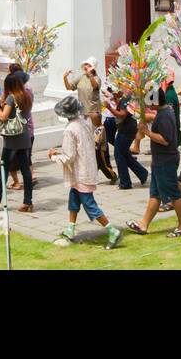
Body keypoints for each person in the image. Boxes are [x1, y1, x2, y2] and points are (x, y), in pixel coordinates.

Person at [49, 95, 121, 249]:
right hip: (87, 168)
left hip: (80, 173)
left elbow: (69, 156)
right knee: (73, 199)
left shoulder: (70, 130)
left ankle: (112, 230)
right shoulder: (83, 122)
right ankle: (70, 228)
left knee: (89, 205)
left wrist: (54, 156)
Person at [125, 88, 181, 238]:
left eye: (149, 102)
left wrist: (147, 132)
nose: (148, 105)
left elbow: (165, 140)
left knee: (174, 195)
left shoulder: (165, 116)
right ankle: (144, 225)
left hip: (166, 161)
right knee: (155, 194)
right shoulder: (162, 113)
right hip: (159, 160)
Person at [0, 71, 34, 212]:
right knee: (25, 170)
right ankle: (28, 201)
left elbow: (3, 117)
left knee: (4, 168)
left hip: (12, 139)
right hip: (24, 137)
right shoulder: (27, 96)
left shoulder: (11, 98)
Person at [64, 56, 117, 183]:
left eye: (88, 65)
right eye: (85, 65)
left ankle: (108, 171)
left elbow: (95, 87)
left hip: (94, 114)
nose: (86, 67)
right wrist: (64, 77)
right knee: (85, 144)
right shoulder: (81, 77)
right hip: (82, 114)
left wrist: (91, 75)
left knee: (98, 144)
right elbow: (69, 87)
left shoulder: (96, 78)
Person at [105, 87, 146, 189]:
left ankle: (125, 182)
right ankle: (142, 173)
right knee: (125, 154)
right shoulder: (127, 97)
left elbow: (122, 114)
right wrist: (115, 100)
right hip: (128, 128)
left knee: (119, 155)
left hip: (126, 130)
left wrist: (109, 108)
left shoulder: (126, 98)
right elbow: (123, 108)